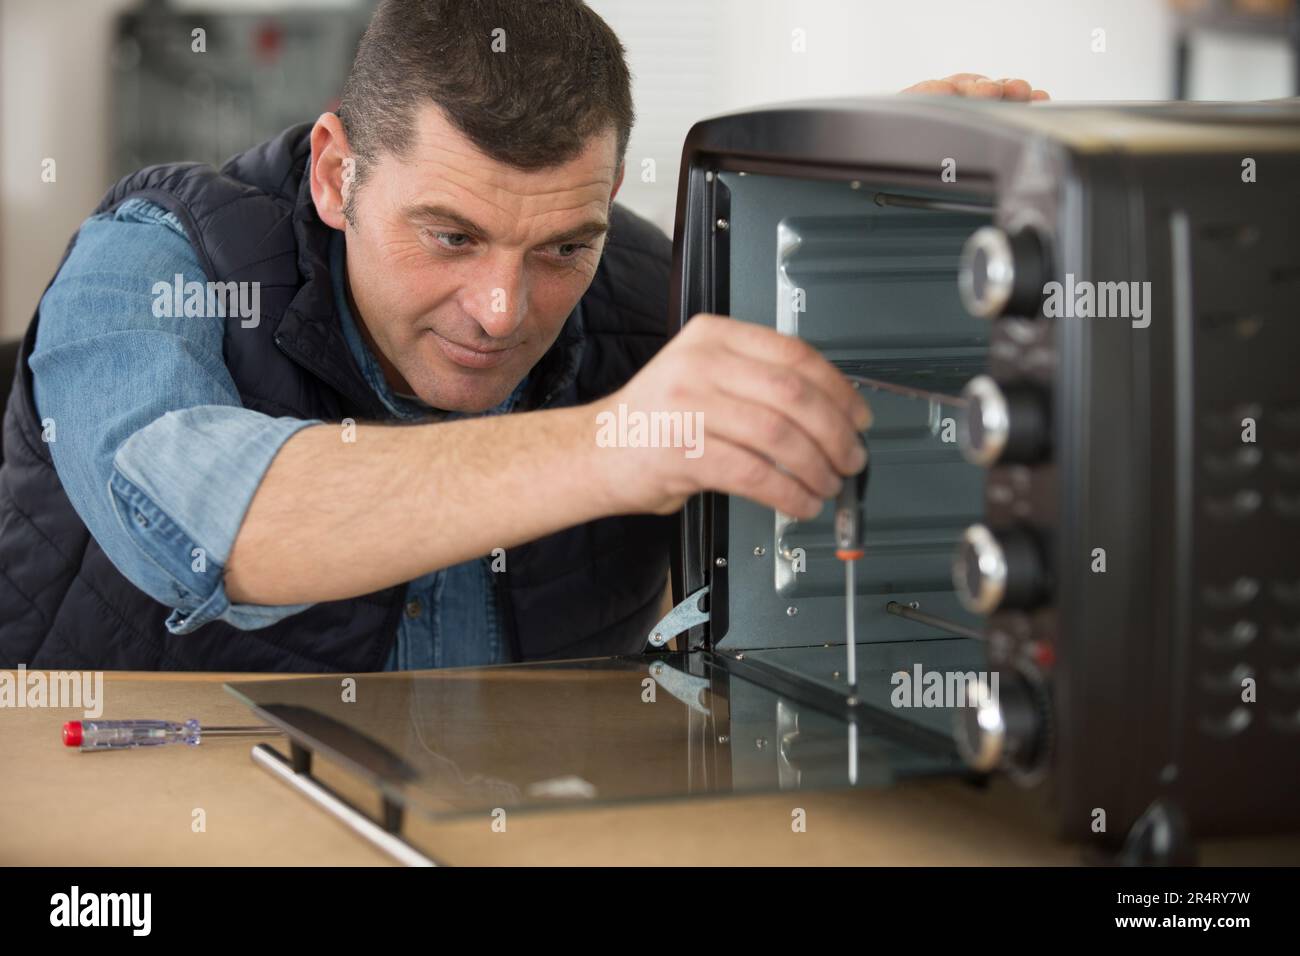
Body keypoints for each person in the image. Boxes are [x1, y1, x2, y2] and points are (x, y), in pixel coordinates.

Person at [0, 0, 1048, 670]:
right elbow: (212, 521)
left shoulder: (645, 286)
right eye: (450, 235)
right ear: (335, 170)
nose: (503, 310)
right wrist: (615, 445)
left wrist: (838, 217)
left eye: (559, 248)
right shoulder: (149, 259)